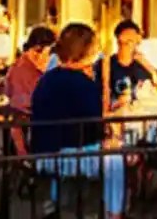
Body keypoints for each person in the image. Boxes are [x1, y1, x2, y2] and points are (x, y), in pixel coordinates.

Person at [30, 23, 126, 219]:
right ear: (86, 51)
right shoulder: (84, 85)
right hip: (71, 156)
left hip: (43, 154)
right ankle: (114, 213)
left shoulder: (46, 80)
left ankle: (54, 202)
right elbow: (93, 126)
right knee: (115, 159)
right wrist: (109, 137)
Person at [93, 20, 157, 107]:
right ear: (118, 40)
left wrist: (148, 66)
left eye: (131, 41)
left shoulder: (143, 65)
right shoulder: (104, 65)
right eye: (123, 42)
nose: (126, 45)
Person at [4, 26, 57, 114]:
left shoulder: (31, 66)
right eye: (49, 54)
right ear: (37, 49)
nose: (49, 58)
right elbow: (22, 103)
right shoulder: (21, 70)